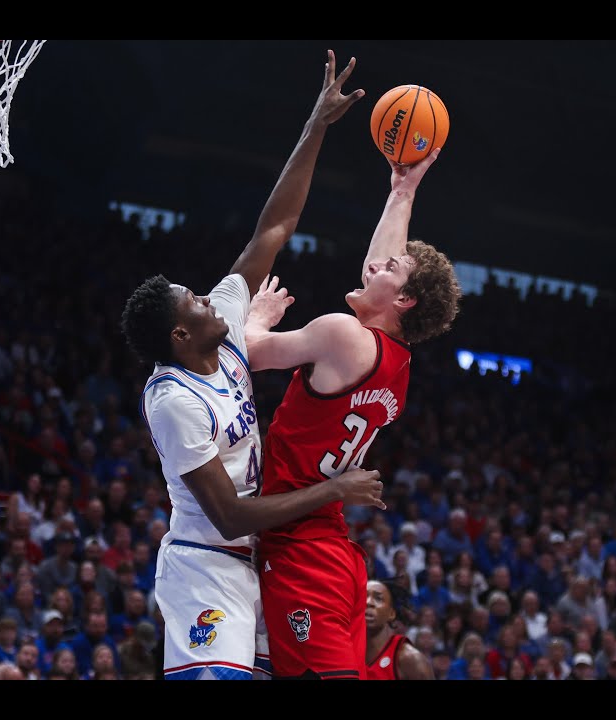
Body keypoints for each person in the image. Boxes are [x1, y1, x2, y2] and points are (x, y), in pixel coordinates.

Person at [119, 49, 379, 681]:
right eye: (195, 301)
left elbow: (275, 226)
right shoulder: (173, 399)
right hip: (206, 561)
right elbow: (229, 514)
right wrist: (334, 490)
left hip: (259, 558)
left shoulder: (225, 326)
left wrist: (316, 123)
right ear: (181, 333)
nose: (210, 296)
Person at [244, 114, 461, 681]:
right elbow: (381, 263)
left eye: (390, 269)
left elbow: (247, 352)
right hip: (328, 544)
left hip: (299, 549)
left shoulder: (342, 334)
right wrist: (403, 190)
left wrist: (258, 317)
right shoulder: (395, 363)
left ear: (405, 300)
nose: (373, 265)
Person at [365, 578, 433, 680]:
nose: (368, 602)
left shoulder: (409, 658)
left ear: (391, 614)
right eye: (363, 596)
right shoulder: (346, 651)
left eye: (378, 598)